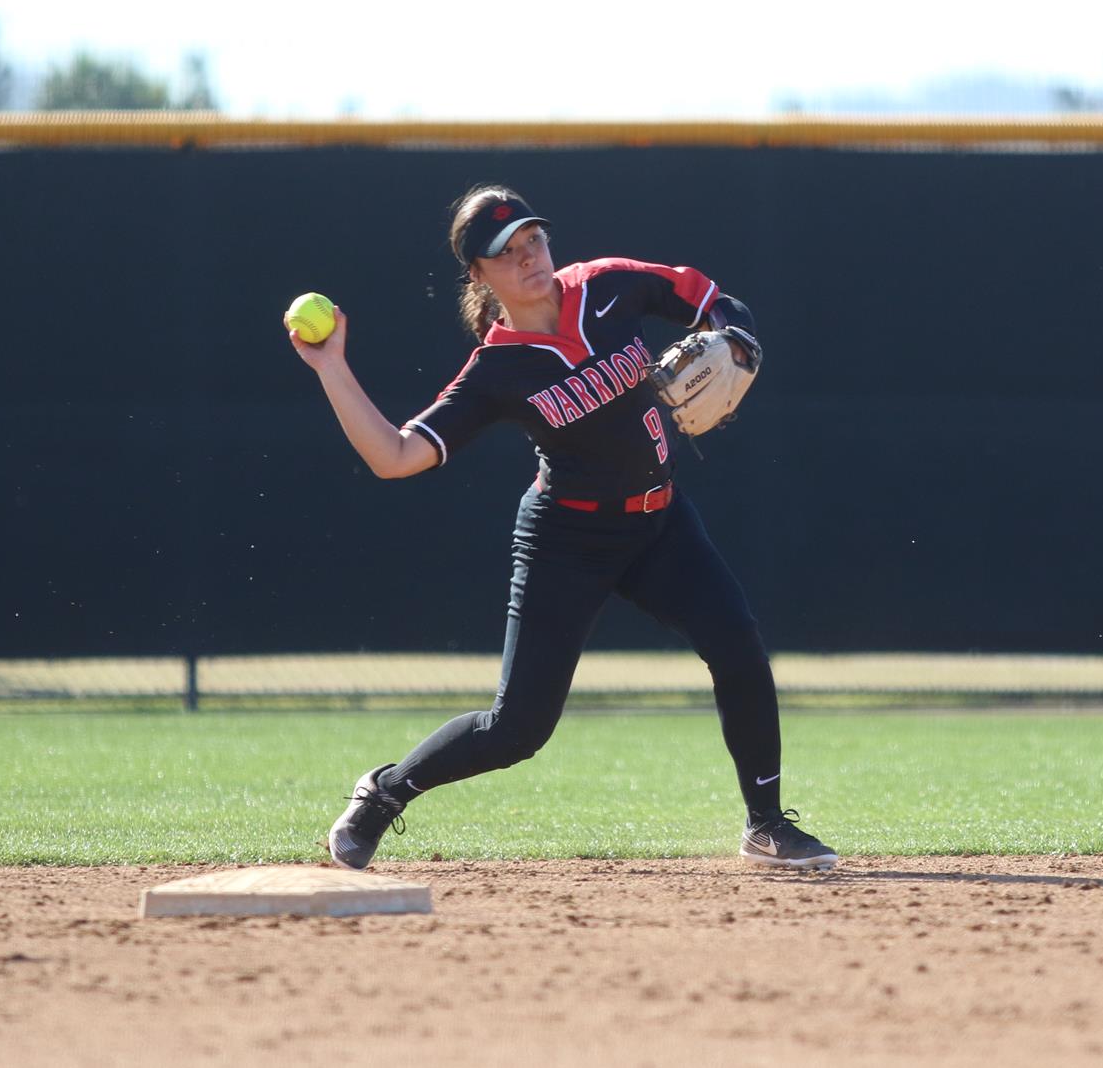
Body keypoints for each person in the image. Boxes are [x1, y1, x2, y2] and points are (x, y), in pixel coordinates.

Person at [288, 184, 837, 872]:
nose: (528, 258)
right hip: (566, 542)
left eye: (533, 240)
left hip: (660, 523)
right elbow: (395, 456)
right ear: (480, 276)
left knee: (738, 644)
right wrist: (332, 366)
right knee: (517, 729)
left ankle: (766, 824)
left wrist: (739, 334)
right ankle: (383, 793)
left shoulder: (606, 287)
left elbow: (704, 296)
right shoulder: (497, 370)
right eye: (506, 254)